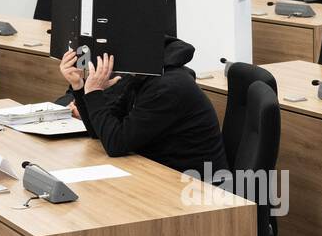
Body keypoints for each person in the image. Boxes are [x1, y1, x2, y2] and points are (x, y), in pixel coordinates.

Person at [56, 36, 228, 177]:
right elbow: (98, 132)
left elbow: (116, 144)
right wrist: (79, 85)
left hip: (195, 188)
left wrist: (94, 92)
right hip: (162, 174)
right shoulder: (143, 77)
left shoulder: (167, 88)